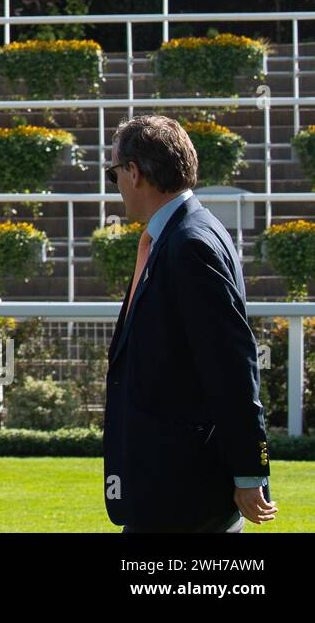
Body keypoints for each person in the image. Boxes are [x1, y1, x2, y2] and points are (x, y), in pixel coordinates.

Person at [103, 114, 276, 533]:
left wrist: (251, 471)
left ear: (135, 172)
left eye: (115, 174)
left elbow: (232, 364)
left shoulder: (189, 243)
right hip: (171, 484)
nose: (116, 186)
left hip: (182, 489)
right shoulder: (184, 233)